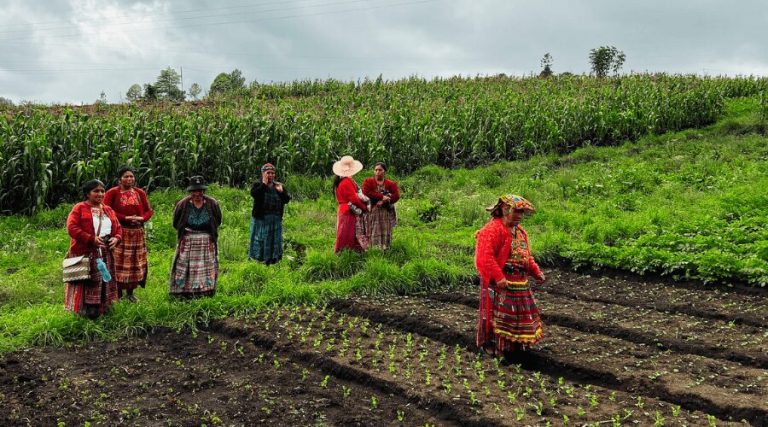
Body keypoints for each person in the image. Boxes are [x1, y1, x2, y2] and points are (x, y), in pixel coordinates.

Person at [474, 194, 546, 360]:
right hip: (500, 283)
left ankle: (515, 348)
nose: (520, 216)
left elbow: (526, 256)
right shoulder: (491, 230)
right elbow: (485, 257)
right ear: (505, 210)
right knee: (499, 317)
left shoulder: (520, 232)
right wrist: (499, 277)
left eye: (522, 212)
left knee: (518, 317)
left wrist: (536, 272)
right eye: (517, 211)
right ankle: (495, 348)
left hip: (520, 282)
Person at [64, 179, 123, 318]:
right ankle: (86, 311)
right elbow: (72, 228)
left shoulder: (108, 209)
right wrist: (91, 239)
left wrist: (117, 238)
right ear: (87, 193)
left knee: (104, 280)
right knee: (88, 281)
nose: (100, 194)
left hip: (105, 253)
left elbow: (118, 228)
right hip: (86, 253)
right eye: (96, 191)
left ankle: (103, 309)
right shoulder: (79, 208)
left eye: (102, 191)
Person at [104, 167, 153, 302]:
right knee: (118, 262)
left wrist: (142, 218)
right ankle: (117, 293)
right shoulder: (113, 193)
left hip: (137, 233)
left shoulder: (139, 193)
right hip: (120, 232)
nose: (129, 179)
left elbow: (149, 211)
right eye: (126, 176)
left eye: (131, 176)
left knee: (134, 263)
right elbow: (106, 210)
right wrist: (125, 218)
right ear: (120, 179)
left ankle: (130, 293)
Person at [170, 176, 222, 298]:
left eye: (200, 191)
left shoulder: (212, 203)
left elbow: (217, 220)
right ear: (190, 191)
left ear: (203, 191)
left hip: (206, 239)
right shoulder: (183, 204)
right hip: (188, 239)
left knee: (206, 265)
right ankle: (184, 293)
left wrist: (206, 234)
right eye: (194, 191)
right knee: (184, 265)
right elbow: (176, 222)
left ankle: (205, 291)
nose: (197, 193)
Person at [249, 163, 290, 264]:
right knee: (261, 239)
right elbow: (255, 194)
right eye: (268, 173)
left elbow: (286, 200)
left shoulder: (279, 186)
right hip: (262, 219)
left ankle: (274, 260)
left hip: (275, 219)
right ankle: (259, 259)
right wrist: (264, 184)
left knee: (274, 240)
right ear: (263, 174)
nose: (271, 175)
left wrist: (281, 192)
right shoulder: (257, 185)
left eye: (273, 173)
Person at [332, 155, 368, 254]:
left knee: (343, 231)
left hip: (343, 209)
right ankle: (347, 252)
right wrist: (364, 207)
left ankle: (345, 252)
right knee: (349, 232)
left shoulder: (340, 181)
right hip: (348, 210)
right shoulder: (347, 182)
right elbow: (354, 199)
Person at [362, 162, 400, 250]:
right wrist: (382, 196)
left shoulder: (391, 184)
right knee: (373, 229)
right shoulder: (368, 181)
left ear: (384, 171)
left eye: (380, 170)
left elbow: (396, 195)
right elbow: (366, 192)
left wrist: (384, 201)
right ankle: (374, 248)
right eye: (376, 170)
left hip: (385, 211)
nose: (377, 172)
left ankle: (385, 247)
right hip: (373, 210)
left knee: (385, 229)